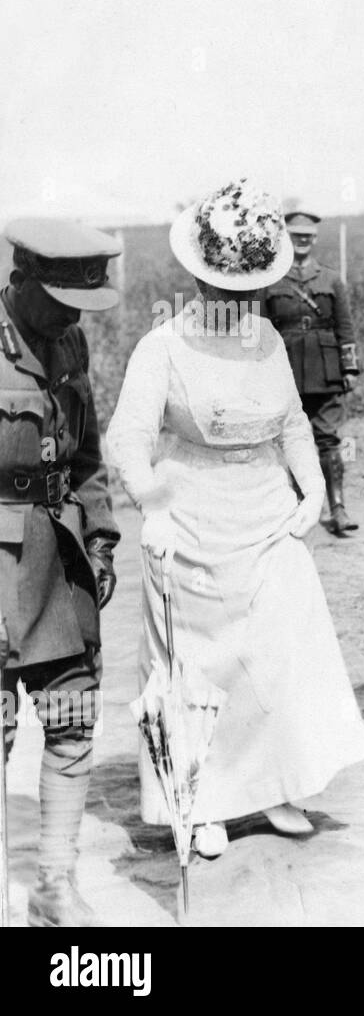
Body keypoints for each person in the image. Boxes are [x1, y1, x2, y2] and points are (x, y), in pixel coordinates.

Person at [106, 180, 364, 860]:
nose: (237, 304)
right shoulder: (162, 347)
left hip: (264, 513)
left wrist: (310, 489)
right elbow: (127, 441)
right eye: (226, 291)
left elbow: (291, 423)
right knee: (197, 666)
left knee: (279, 648)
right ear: (199, 281)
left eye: (248, 292)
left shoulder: (267, 344)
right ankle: (203, 800)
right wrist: (150, 506)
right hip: (189, 515)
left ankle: (277, 782)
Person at [0, 218, 121, 927]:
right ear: (20, 279)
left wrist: (101, 540)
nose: (76, 316)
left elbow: (87, 460)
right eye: (61, 299)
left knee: (73, 720)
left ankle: (53, 886)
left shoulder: (69, 341)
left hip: (60, 561)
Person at [262, 210, 360, 535]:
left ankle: (339, 508)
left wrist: (349, 366)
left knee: (329, 438)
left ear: (315, 239)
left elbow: (344, 325)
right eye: (295, 235)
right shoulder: (270, 279)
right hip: (285, 367)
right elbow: (261, 329)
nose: (302, 240)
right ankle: (297, 507)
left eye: (307, 235)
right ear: (285, 238)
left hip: (325, 367)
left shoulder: (331, 279)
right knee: (287, 439)